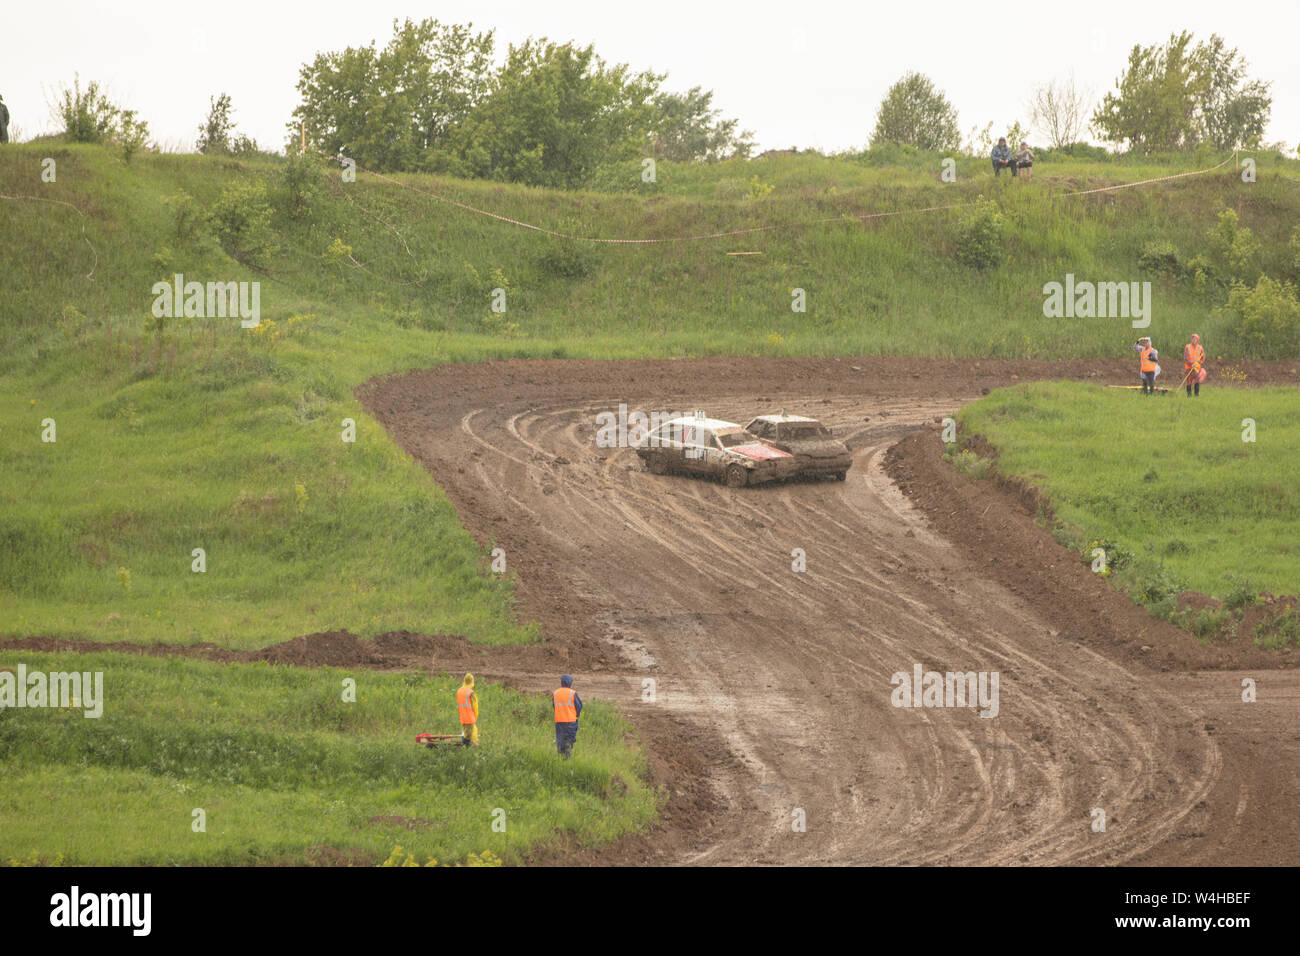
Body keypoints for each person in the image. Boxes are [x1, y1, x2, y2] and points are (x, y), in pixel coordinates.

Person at [552, 674, 583, 759]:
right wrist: (576, 715)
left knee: (560, 741)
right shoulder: (572, 693)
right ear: (570, 683)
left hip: (559, 721)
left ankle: (560, 759)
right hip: (570, 722)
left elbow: (554, 706)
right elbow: (579, 706)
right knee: (569, 741)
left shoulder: (556, 693)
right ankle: (567, 760)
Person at [456, 672, 479, 747]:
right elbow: (475, 707)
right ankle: (465, 748)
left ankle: (464, 746)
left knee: (465, 732)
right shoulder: (470, 693)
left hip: (462, 716)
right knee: (468, 736)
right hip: (469, 717)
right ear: (472, 681)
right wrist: (475, 716)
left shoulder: (459, 691)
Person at [1183, 333, 1207, 397]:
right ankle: (1189, 395)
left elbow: (1203, 358)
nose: (1194, 340)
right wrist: (1191, 364)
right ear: (1191, 339)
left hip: (1197, 368)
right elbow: (1185, 358)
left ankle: (1196, 394)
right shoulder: (1187, 347)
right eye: (1192, 338)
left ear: (1197, 340)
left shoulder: (1200, 348)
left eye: (1195, 339)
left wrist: (1200, 362)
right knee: (1189, 381)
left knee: (1197, 380)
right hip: (1189, 367)